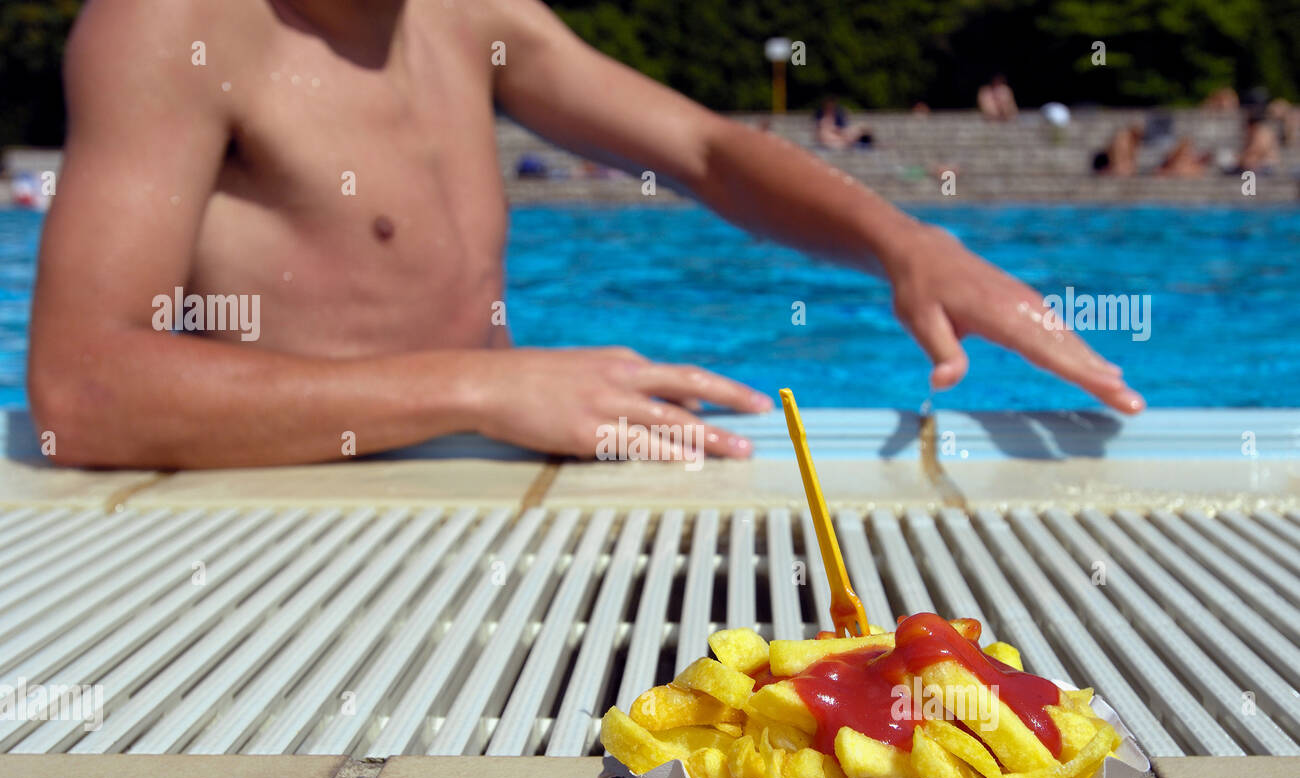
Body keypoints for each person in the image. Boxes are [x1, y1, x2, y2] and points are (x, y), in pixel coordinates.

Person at [28, 0, 1141, 470]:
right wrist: (479, 388)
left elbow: (702, 150)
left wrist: (906, 243)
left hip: (478, 486)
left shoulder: (470, 19)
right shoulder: (171, 27)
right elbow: (81, 392)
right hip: (284, 519)